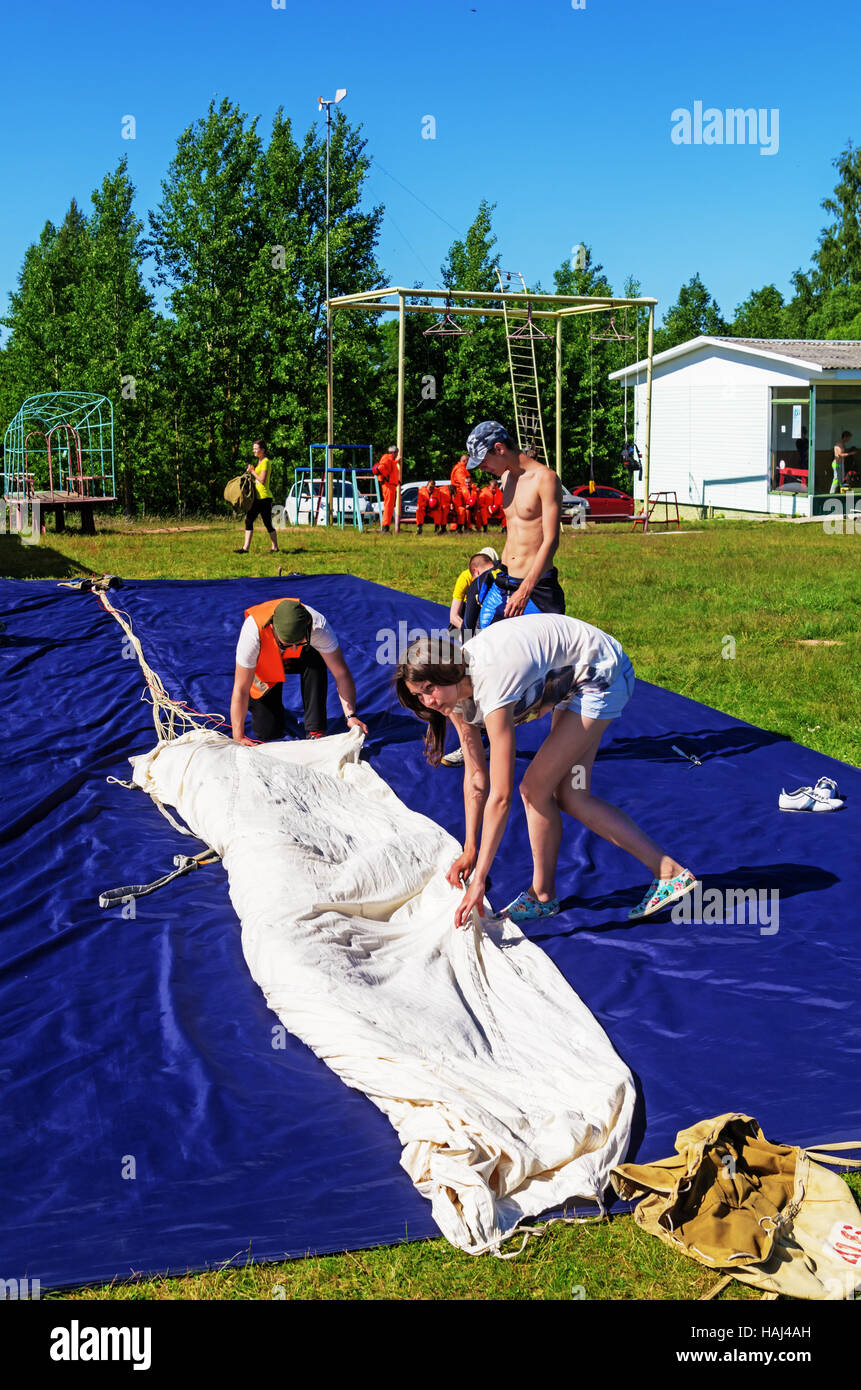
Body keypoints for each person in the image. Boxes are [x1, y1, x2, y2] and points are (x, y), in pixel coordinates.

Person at [396, 619, 696, 928]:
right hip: (573, 678)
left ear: (448, 671)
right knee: (571, 795)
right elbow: (475, 777)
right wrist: (470, 848)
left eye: (429, 689)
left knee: (534, 789)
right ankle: (660, 873)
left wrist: (479, 880)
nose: (428, 702)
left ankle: (551, 893)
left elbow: (501, 796)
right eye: (419, 696)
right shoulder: (455, 696)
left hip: (599, 674)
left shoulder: (491, 684)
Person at [231, 597, 368, 744]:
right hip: (265, 665)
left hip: (304, 658)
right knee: (268, 731)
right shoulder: (253, 631)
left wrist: (350, 716)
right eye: (287, 644)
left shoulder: (318, 626)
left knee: (316, 656)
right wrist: (238, 736)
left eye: (299, 642)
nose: (295, 649)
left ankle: (315, 729)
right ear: (273, 628)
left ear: (308, 624)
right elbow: (241, 689)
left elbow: (341, 673)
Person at [465, 421, 564, 619]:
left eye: (483, 462)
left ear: (499, 448)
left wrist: (525, 590)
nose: (483, 469)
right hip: (504, 580)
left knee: (535, 648)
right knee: (483, 643)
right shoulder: (506, 478)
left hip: (534, 588)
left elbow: (551, 540)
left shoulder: (545, 479)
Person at [235, 440, 279, 554]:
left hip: (264, 497)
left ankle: (275, 547)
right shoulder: (259, 462)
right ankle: (245, 548)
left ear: (262, 450)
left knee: (267, 523)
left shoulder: (265, 462)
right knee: (249, 520)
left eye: (256, 448)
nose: (253, 450)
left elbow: (262, 480)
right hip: (258, 497)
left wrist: (253, 471)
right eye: (253, 448)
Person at [373, 445, 400, 531]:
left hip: (391, 485)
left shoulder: (391, 460)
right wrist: (387, 477)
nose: (397, 454)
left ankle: (386, 526)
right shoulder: (387, 457)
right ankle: (385, 527)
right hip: (388, 485)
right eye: (396, 453)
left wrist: (396, 462)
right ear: (393, 452)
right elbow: (380, 468)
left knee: (390, 506)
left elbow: (390, 467)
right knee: (388, 506)